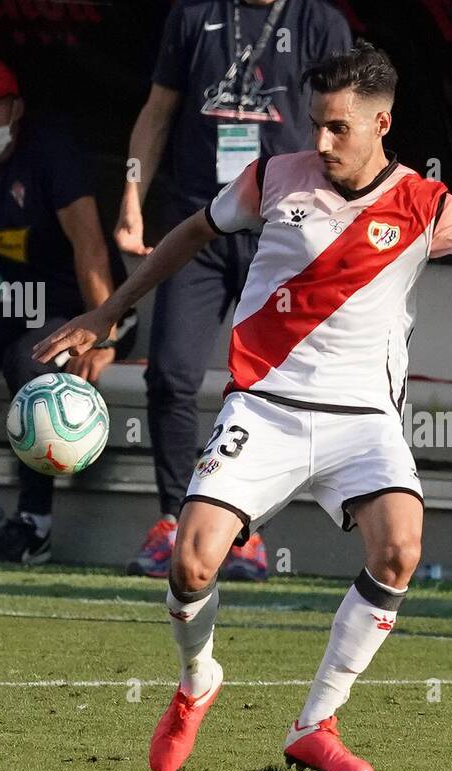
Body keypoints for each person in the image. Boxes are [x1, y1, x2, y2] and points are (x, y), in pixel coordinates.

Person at [36, 42, 452, 771]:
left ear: (381, 123)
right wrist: (112, 309)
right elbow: (190, 234)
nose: (322, 142)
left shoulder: (430, 206)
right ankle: (197, 680)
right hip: (265, 407)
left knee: (401, 548)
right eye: (316, 124)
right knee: (190, 561)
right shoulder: (274, 178)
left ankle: (315, 723)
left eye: (338, 127)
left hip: (363, 420)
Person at [117, 0, 351, 578]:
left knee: (269, 382)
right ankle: (175, 521)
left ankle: (242, 531)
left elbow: (347, 125)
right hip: (200, 221)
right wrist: (130, 199)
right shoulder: (194, 16)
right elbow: (157, 112)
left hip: (285, 225)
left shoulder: (320, 23)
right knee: (169, 372)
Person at [0, 59, 130, 566]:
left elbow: (90, 248)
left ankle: (34, 526)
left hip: (85, 306)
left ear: (16, 107)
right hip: (23, 302)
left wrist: (101, 333)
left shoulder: (51, 153)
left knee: (26, 362)